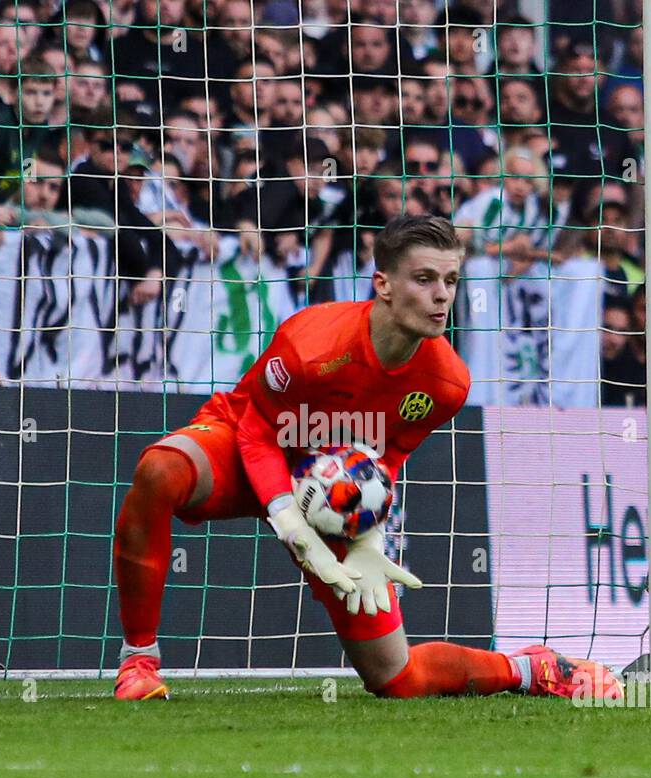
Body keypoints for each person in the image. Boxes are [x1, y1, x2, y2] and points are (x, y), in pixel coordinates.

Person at [111, 214, 622, 701]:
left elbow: (384, 461)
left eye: (450, 280)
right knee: (161, 470)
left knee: (396, 678)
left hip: (332, 495)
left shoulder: (447, 385)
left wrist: (366, 536)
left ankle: (529, 669)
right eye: (423, 279)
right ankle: (139, 661)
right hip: (246, 447)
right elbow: (258, 432)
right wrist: (291, 522)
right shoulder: (311, 342)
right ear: (383, 285)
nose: (441, 294)